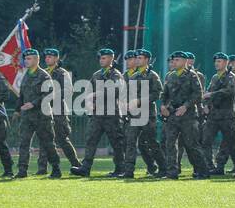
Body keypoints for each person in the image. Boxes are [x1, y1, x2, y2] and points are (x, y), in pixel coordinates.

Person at [76, 47, 126, 177]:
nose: (101, 60)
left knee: (116, 142)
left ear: (111, 59)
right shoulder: (97, 74)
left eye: (104, 58)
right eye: (100, 58)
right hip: (97, 114)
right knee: (91, 140)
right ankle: (85, 168)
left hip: (111, 115)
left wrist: (97, 93)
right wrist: (88, 103)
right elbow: (88, 91)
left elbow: (116, 91)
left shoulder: (116, 75)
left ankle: (120, 168)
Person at [160, 51, 210, 179]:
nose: (174, 62)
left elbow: (198, 94)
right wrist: (163, 106)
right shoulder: (170, 76)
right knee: (170, 143)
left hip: (188, 116)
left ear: (184, 61)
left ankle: (202, 171)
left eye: (177, 60)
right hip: (172, 115)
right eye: (174, 60)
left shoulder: (192, 75)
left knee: (191, 144)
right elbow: (164, 94)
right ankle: (172, 172)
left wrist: (186, 106)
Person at [15, 48, 62, 179]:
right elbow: (22, 95)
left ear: (36, 60)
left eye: (29, 58)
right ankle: (22, 170)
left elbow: (49, 93)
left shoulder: (44, 75)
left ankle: (56, 168)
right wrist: (17, 110)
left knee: (48, 143)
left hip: (42, 116)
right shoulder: (26, 75)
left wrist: (34, 103)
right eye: (25, 59)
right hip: (27, 117)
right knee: (24, 142)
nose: (26, 61)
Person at [38, 48, 84, 176]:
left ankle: (76, 164)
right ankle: (42, 168)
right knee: (45, 139)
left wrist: (52, 96)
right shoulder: (43, 73)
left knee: (62, 139)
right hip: (45, 110)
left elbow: (68, 90)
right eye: (46, 57)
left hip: (58, 111)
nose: (47, 59)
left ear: (57, 59)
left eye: (50, 57)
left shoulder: (62, 73)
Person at [123, 49, 164, 177]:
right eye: (137, 58)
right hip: (134, 115)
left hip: (147, 115)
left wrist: (139, 101)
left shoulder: (152, 75)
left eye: (140, 58)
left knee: (151, 142)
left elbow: (157, 94)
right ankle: (129, 171)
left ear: (147, 60)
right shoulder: (133, 76)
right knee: (130, 142)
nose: (137, 60)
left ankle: (163, 168)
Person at [202, 52, 235, 177]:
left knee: (232, 143)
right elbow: (207, 92)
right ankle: (210, 167)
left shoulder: (231, 77)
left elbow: (229, 91)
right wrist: (206, 104)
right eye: (216, 61)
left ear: (226, 63)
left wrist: (211, 95)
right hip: (214, 115)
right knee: (206, 140)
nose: (217, 63)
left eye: (219, 61)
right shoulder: (215, 77)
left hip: (227, 115)